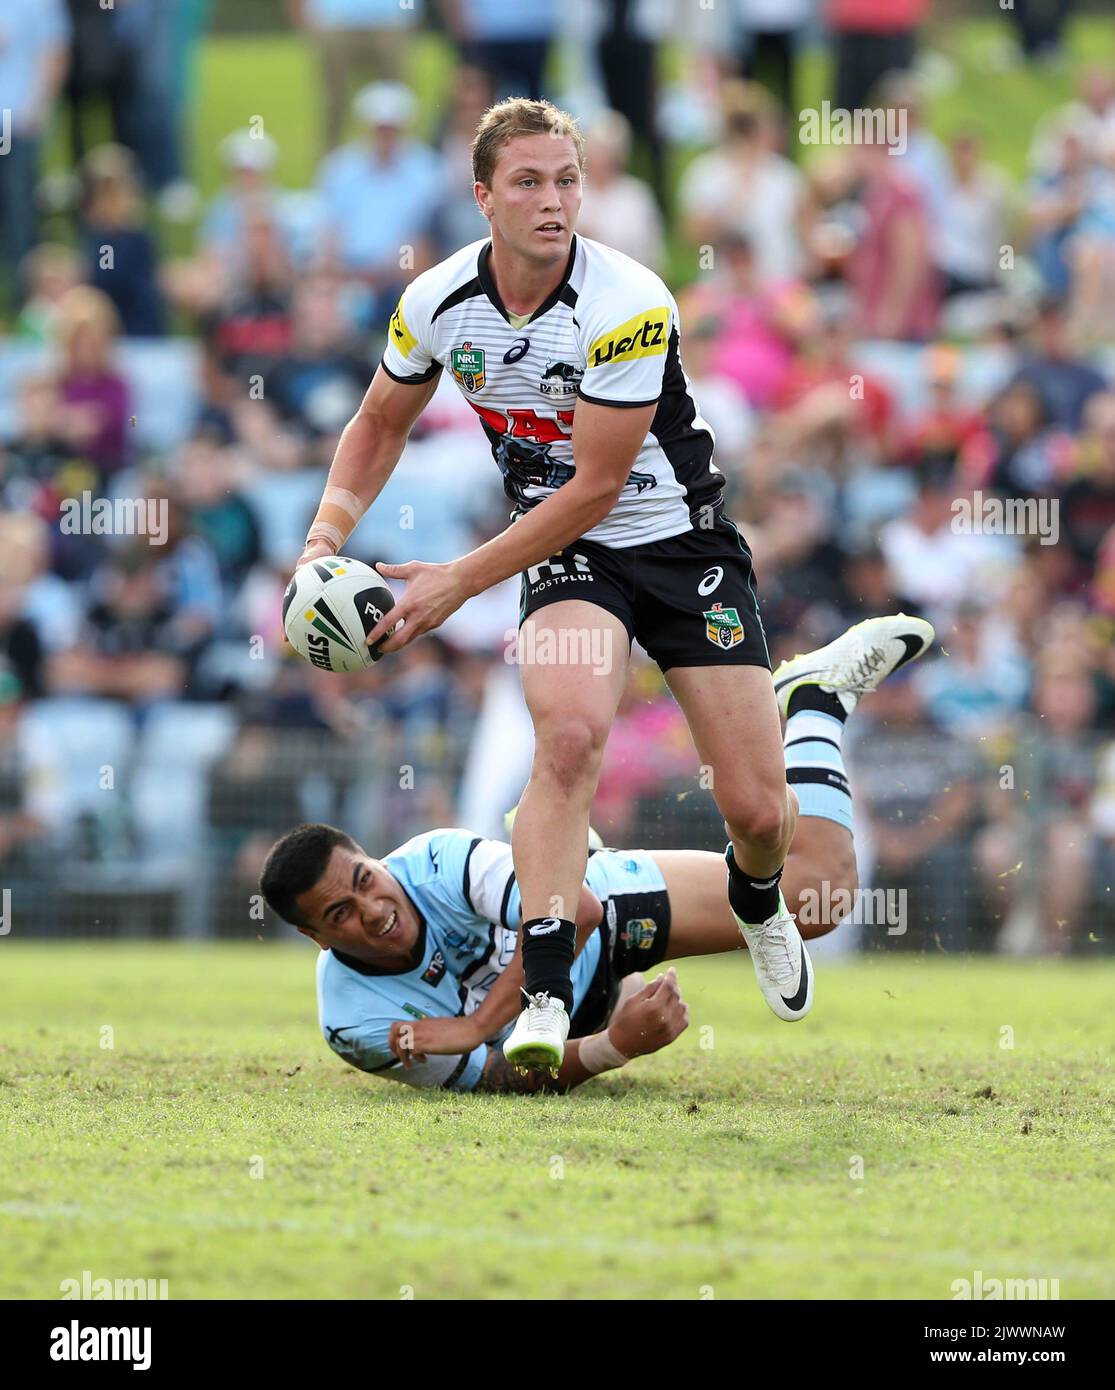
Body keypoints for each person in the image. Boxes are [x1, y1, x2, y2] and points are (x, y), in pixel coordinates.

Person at [291, 95, 936, 1074]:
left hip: (680, 550)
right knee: (568, 735)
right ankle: (546, 985)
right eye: (528, 182)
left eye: (566, 180)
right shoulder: (433, 302)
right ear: (482, 196)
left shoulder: (627, 298)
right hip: (565, 556)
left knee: (760, 821)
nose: (553, 201)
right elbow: (379, 421)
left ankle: (777, 802)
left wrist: (456, 581)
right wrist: (322, 539)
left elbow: (595, 485)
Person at [259, 617, 935, 1093]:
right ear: (312, 936)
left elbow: (574, 910)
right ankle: (561, 846)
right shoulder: (352, 1021)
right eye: (340, 913)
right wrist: (613, 1047)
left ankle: (812, 703)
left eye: (366, 879)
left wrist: (474, 1025)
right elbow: (493, 1078)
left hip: (599, 914)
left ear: (376, 859)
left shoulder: (435, 862)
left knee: (822, 895)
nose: (373, 909)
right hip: (569, 1015)